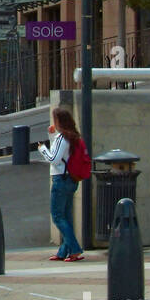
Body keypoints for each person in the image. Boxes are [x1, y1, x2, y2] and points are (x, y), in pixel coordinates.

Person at [36, 105, 85, 261]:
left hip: (60, 180)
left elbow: (54, 159)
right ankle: (64, 251)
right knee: (67, 216)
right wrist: (51, 137)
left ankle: (75, 249)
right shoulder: (71, 137)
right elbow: (61, 155)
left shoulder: (63, 138)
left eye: (55, 119)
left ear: (59, 121)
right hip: (70, 179)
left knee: (57, 216)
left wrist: (42, 148)